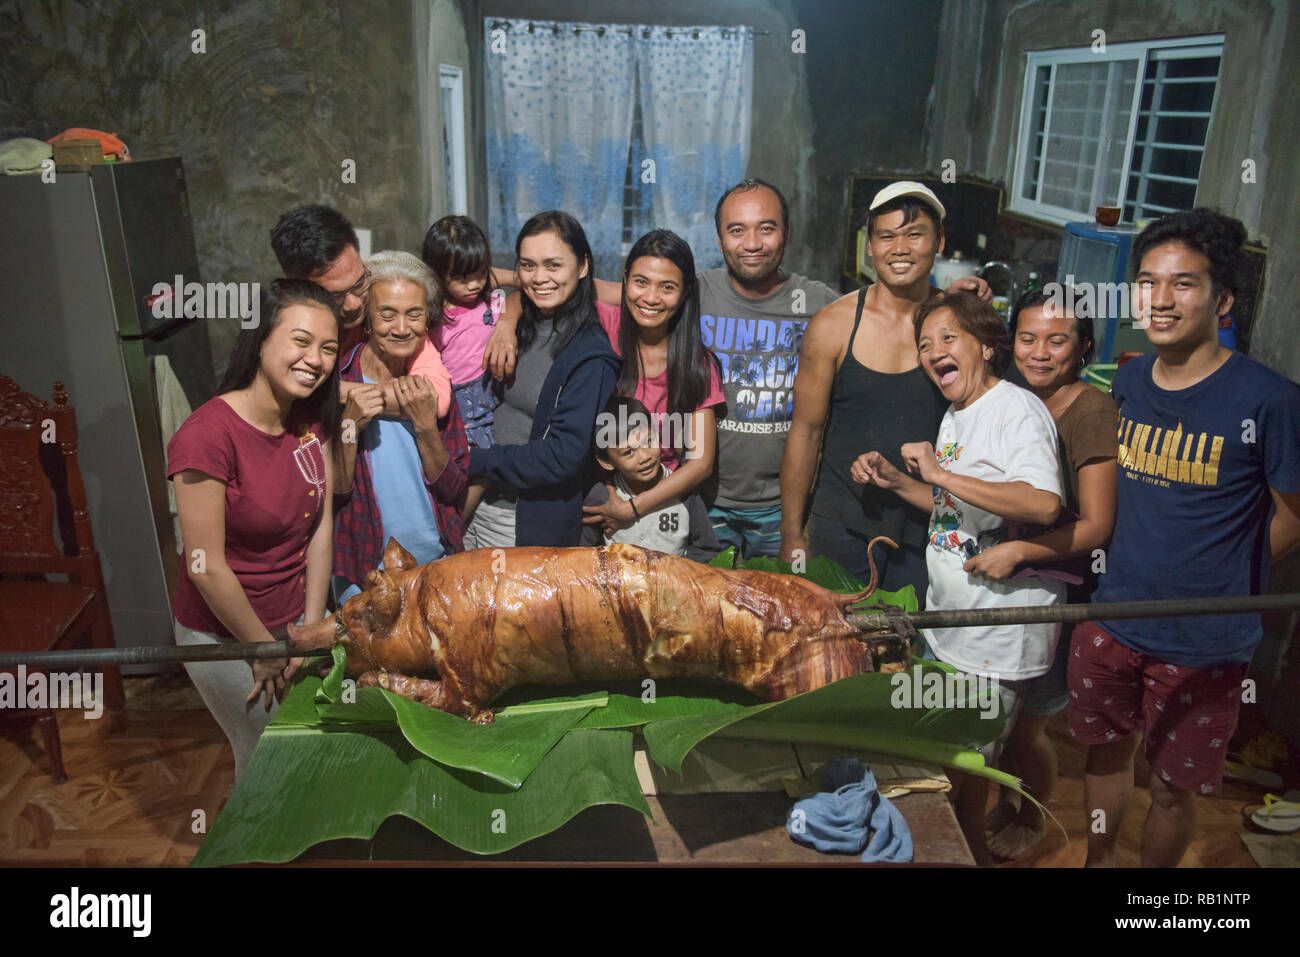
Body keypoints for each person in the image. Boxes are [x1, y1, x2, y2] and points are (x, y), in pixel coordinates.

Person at [1071, 209, 1300, 868]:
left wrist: (1225, 581)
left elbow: (1293, 513)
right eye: (1147, 282)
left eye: (1184, 284)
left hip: (1204, 642)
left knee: (1173, 786)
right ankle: (1096, 861)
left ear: (1222, 299)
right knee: (1105, 756)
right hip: (1113, 618)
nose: (1160, 300)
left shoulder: (1268, 401)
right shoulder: (1131, 380)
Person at [852, 290, 1066, 865]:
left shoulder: (1016, 410)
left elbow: (1043, 503)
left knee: (965, 769)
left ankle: (965, 856)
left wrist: (942, 471)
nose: (934, 352)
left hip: (998, 633)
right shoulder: (958, 412)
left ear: (988, 347)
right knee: (961, 767)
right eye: (925, 345)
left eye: (948, 338)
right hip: (953, 626)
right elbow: (954, 505)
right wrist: (898, 482)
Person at [965, 287, 1118, 859]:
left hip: (1059, 593)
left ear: (1083, 347)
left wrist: (1022, 553)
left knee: (1028, 726)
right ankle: (1004, 806)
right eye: (1027, 338)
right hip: (1009, 590)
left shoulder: (1092, 410)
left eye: (1058, 340)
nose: (1039, 351)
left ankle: (1032, 817)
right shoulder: (1010, 398)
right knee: (996, 723)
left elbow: (1097, 526)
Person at [167, 279, 341, 778]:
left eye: (328, 348)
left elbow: (320, 528)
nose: (316, 359)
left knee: (315, 741)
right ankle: (251, 852)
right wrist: (262, 648)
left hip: (295, 618)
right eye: (301, 341)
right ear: (261, 338)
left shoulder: (311, 420)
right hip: (226, 633)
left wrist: (308, 632)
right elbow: (205, 567)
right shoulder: (206, 436)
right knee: (266, 755)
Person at [782, 182, 964, 600]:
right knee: (839, 651)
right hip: (842, 523)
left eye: (915, 234)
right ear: (869, 246)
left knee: (906, 654)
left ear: (939, 242)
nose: (900, 248)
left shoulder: (959, 325)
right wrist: (793, 533)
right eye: (886, 236)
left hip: (929, 529)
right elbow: (805, 432)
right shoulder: (833, 325)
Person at [466, 210, 620, 548]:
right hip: (470, 503)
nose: (539, 277)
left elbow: (562, 458)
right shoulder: (515, 322)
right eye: (528, 265)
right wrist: (508, 318)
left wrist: (472, 461)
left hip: (517, 517)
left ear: (582, 267)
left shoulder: (591, 357)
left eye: (553, 265)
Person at [332, 251, 469, 603]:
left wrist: (425, 428)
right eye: (387, 314)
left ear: (427, 319)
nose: (401, 328)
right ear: (366, 319)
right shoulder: (339, 381)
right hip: (366, 572)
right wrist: (349, 426)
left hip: (437, 567)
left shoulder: (432, 386)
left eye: (414, 314)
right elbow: (335, 495)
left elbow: (454, 489)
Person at [581, 229, 726, 538]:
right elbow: (558, 287)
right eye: (641, 282)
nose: (650, 298)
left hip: (662, 504)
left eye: (667, 287)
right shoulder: (605, 325)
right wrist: (509, 317)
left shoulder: (696, 363)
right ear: (624, 280)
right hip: (597, 500)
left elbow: (701, 462)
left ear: (686, 292)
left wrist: (633, 508)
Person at [271, 204, 452, 418]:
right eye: (335, 296)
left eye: (359, 283)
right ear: (297, 286)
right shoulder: (278, 326)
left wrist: (336, 393)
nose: (354, 304)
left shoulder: (386, 314)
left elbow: (434, 399)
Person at [422, 215, 507, 522]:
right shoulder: (436, 314)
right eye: (462, 278)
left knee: (485, 461)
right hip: (459, 400)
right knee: (473, 466)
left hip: (490, 391)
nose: (474, 284)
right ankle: (453, 525)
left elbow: (500, 278)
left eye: (480, 273)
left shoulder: (483, 292)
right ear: (437, 275)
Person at [582, 396, 721, 561]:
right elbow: (586, 555)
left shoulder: (684, 492)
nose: (644, 457)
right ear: (607, 462)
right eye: (628, 452)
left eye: (648, 441)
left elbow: (707, 548)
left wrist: (677, 574)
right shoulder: (602, 498)